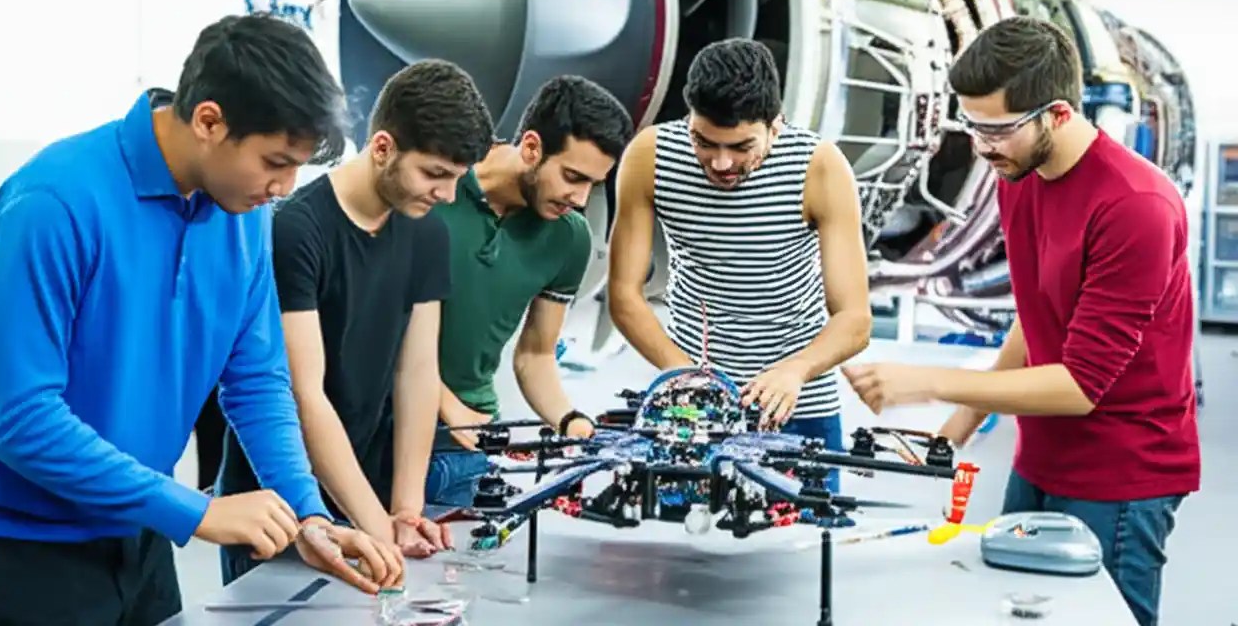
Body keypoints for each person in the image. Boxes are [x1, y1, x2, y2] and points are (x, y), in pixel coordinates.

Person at [0, 13, 402, 626]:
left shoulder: (245, 220)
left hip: (143, 545)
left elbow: (256, 383)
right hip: (29, 549)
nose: (285, 187)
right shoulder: (52, 202)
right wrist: (196, 511)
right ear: (209, 121)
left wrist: (308, 515)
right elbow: (23, 420)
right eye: (275, 161)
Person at [840, 16, 1200, 626]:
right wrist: (954, 430)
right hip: (1041, 461)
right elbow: (1038, 322)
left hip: (1122, 475)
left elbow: (1079, 387)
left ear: (1057, 114)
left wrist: (927, 381)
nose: (980, 145)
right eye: (971, 125)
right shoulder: (1020, 175)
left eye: (997, 129)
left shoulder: (1136, 208)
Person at [216, 59, 494, 583]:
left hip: (366, 486)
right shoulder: (297, 230)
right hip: (279, 507)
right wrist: (380, 529)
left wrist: (405, 511)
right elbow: (305, 395)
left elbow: (416, 373)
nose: (447, 195)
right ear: (383, 147)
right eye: (435, 174)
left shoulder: (427, 232)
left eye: (458, 179)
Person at [606, 38, 873, 494]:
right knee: (675, 556)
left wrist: (795, 370)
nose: (721, 162)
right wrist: (684, 376)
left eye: (740, 146)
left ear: (775, 125)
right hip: (689, 410)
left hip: (798, 407)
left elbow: (854, 319)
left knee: (805, 549)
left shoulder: (821, 168)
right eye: (704, 142)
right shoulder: (649, 156)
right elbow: (624, 296)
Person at [425, 75, 634, 506]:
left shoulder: (569, 239)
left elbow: (535, 355)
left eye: (593, 185)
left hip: (469, 445)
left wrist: (571, 421)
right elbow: (379, 327)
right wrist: (444, 404)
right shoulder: (434, 188)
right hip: (384, 432)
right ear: (533, 147)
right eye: (572, 177)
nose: (579, 199)